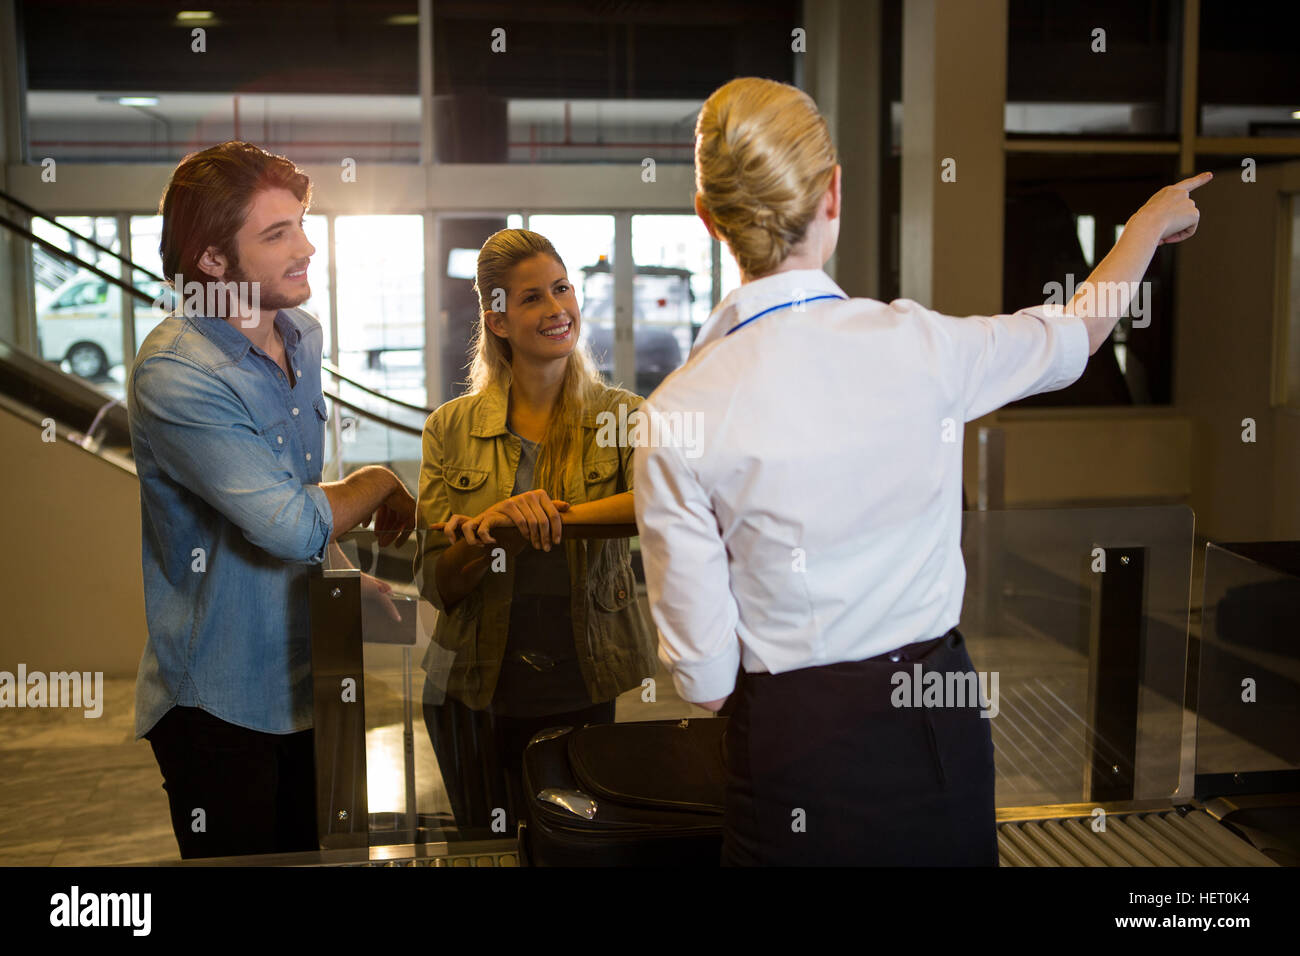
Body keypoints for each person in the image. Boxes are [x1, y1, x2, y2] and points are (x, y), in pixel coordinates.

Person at [632, 77, 1209, 866]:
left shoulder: (675, 414)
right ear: (834, 193)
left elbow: (704, 678)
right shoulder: (923, 347)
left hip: (792, 743)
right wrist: (1142, 228)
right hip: (936, 720)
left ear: (708, 218)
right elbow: (1075, 338)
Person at [130, 141, 417, 859]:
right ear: (213, 262)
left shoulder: (302, 335)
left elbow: (301, 498)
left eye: (301, 225)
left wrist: (350, 578)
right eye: (277, 233)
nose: (306, 247)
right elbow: (290, 524)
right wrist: (378, 480)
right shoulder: (176, 373)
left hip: (310, 678)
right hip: (220, 706)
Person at [414, 228, 657, 835]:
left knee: (575, 846)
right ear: (497, 320)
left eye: (562, 289)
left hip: (584, 677)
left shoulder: (621, 416)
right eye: (531, 299)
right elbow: (437, 580)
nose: (557, 310)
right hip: (469, 691)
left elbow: (656, 507)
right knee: (486, 848)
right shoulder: (451, 427)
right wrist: (492, 533)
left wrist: (540, 516)